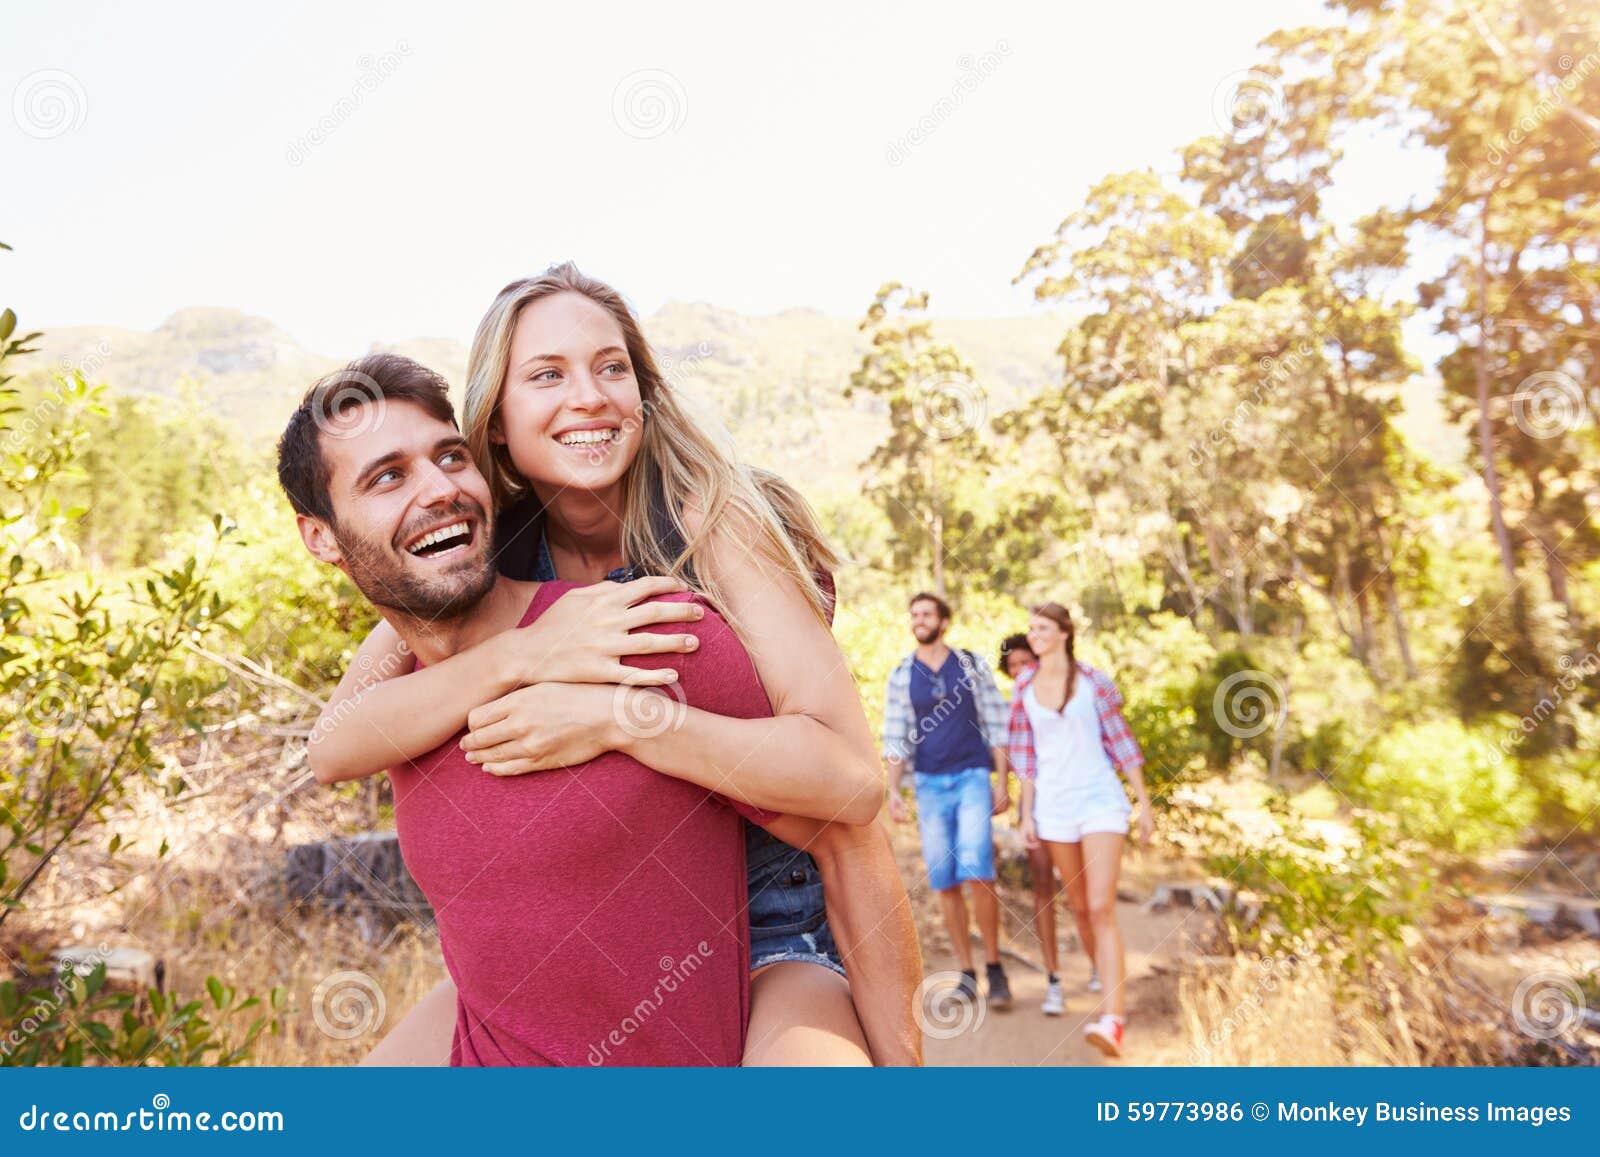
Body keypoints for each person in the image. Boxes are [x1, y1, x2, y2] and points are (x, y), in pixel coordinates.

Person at [305, 266, 922, 1066]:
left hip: (762, 909)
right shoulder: (480, 548)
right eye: (547, 375)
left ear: (643, 390)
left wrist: (617, 718)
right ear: (496, 420)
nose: (590, 395)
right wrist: (522, 656)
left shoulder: (713, 519)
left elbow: (851, 794)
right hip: (591, 934)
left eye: (612, 367)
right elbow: (335, 742)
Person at [1009, 603, 1151, 1058]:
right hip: (1053, 808)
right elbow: (1025, 759)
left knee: (1099, 905)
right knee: (1080, 909)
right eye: (1031, 629)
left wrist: (1143, 803)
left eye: (1043, 628)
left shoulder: (1094, 682)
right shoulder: (1023, 686)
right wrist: (1026, 814)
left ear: (1065, 632)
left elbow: (1122, 743)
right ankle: (1107, 980)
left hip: (1100, 802)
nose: (1035, 635)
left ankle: (1113, 1021)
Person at [884, 593, 1013, 1009]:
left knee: (979, 870)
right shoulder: (903, 674)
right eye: (914, 614)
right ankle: (966, 971)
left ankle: (995, 967)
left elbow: (997, 722)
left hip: (973, 775)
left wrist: (1003, 783)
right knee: (944, 879)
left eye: (926, 614)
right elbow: (897, 736)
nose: (919, 620)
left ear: (944, 620)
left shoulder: (971, 666)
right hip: (929, 784)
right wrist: (893, 791)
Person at [997, 633, 1098, 1016]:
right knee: (1042, 886)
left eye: (1027, 663)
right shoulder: (1015, 706)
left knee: (1082, 891)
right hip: (1035, 805)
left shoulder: (1069, 694)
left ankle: (1097, 962)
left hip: (1076, 801)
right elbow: (1009, 752)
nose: (1021, 671)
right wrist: (1010, 798)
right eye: (1014, 667)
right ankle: (1054, 978)